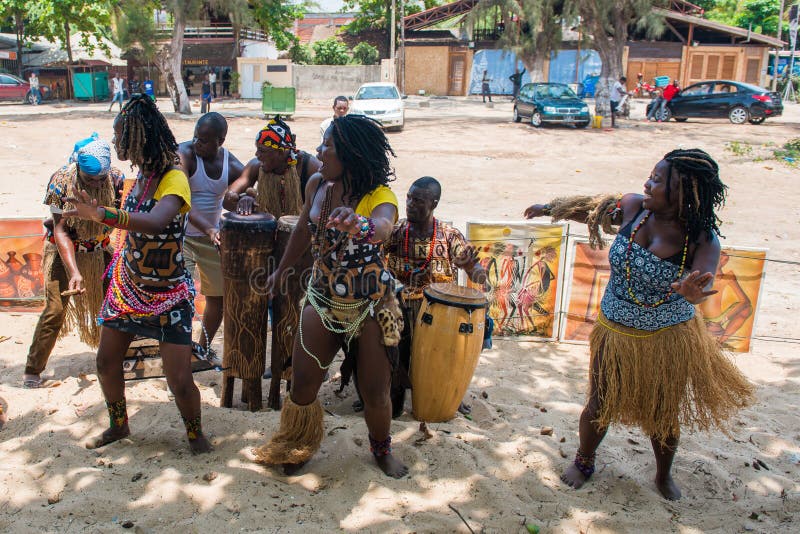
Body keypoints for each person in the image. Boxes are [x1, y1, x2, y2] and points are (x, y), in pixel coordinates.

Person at [523, 148, 754, 500]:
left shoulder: (702, 239)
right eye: (651, 175)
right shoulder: (634, 208)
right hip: (615, 329)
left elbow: (704, 282)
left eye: (657, 181)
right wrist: (550, 208)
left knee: (663, 411)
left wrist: (693, 292)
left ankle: (663, 475)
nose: (647, 183)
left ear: (681, 194)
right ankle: (584, 461)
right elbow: (593, 207)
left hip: (667, 336)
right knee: (599, 401)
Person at [254, 114, 408, 479]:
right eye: (323, 144)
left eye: (329, 147)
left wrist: (363, 225)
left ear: (352, 155)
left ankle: (381, 450)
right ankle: (297, 443)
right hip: (322, 300)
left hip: (370, 307)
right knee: (303, 384)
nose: (320, 151)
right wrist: (280, 270)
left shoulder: (378, 196)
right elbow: (304, 231)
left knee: (375, 392)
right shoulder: (317, 184)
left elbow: (384, 226)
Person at [64, 95, 212, 454]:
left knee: (179, 380)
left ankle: (195, 435)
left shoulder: (174, 177)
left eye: (120, 136)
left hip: (168, 296)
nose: (116, 144)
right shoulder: (142, 176)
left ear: (138, 137)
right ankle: (119, 425)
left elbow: (158, 221)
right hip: (128, 289)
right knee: (105, 362)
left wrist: (104, 215)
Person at [22, 135, 125, 388]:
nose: (96, 183)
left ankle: (117, 359)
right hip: (63, 250)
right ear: (78, 168)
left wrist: (100, 217)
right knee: (55, 310)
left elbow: (121, 215)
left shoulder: (116, 178)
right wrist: (75, 271)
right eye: (90, 179)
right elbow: (59, 230)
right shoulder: (60, 182)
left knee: (116, 306)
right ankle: (33, 369)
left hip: (100, 248)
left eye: (101, 179)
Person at [384, 176, 488, 418]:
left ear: (434, 203)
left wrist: (474, 269)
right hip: (399, 304)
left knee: (448, 355)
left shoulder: (449, 236)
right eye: (408, 198)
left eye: (417, 200)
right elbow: (375, 258)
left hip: (437, 310)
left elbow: (477, 273)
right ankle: (390, 391)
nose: (409, 204)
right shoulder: (397, 231)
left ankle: (450, 393)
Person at [178, 112, 245, 357]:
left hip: (211, 239)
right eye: (196, 136)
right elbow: (182, 202)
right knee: (178, 295)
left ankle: (203, 347)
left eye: (205, 140)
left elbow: (245, 193)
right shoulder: (183, 155)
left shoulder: (232, 165)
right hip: (182, 236)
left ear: (221, 141)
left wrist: (244, 199)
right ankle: (179, 348)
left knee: (218, 296)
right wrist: (209, 228)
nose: (197, 143)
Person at [223, 116, 320, 220]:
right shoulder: (255, 165)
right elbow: (227, 202)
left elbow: (325, 204)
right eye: (257, 149)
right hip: (266, 231)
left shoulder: (309, 166)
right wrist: (243, 202)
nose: (257, 154)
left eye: (262, 150)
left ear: (280, 153)